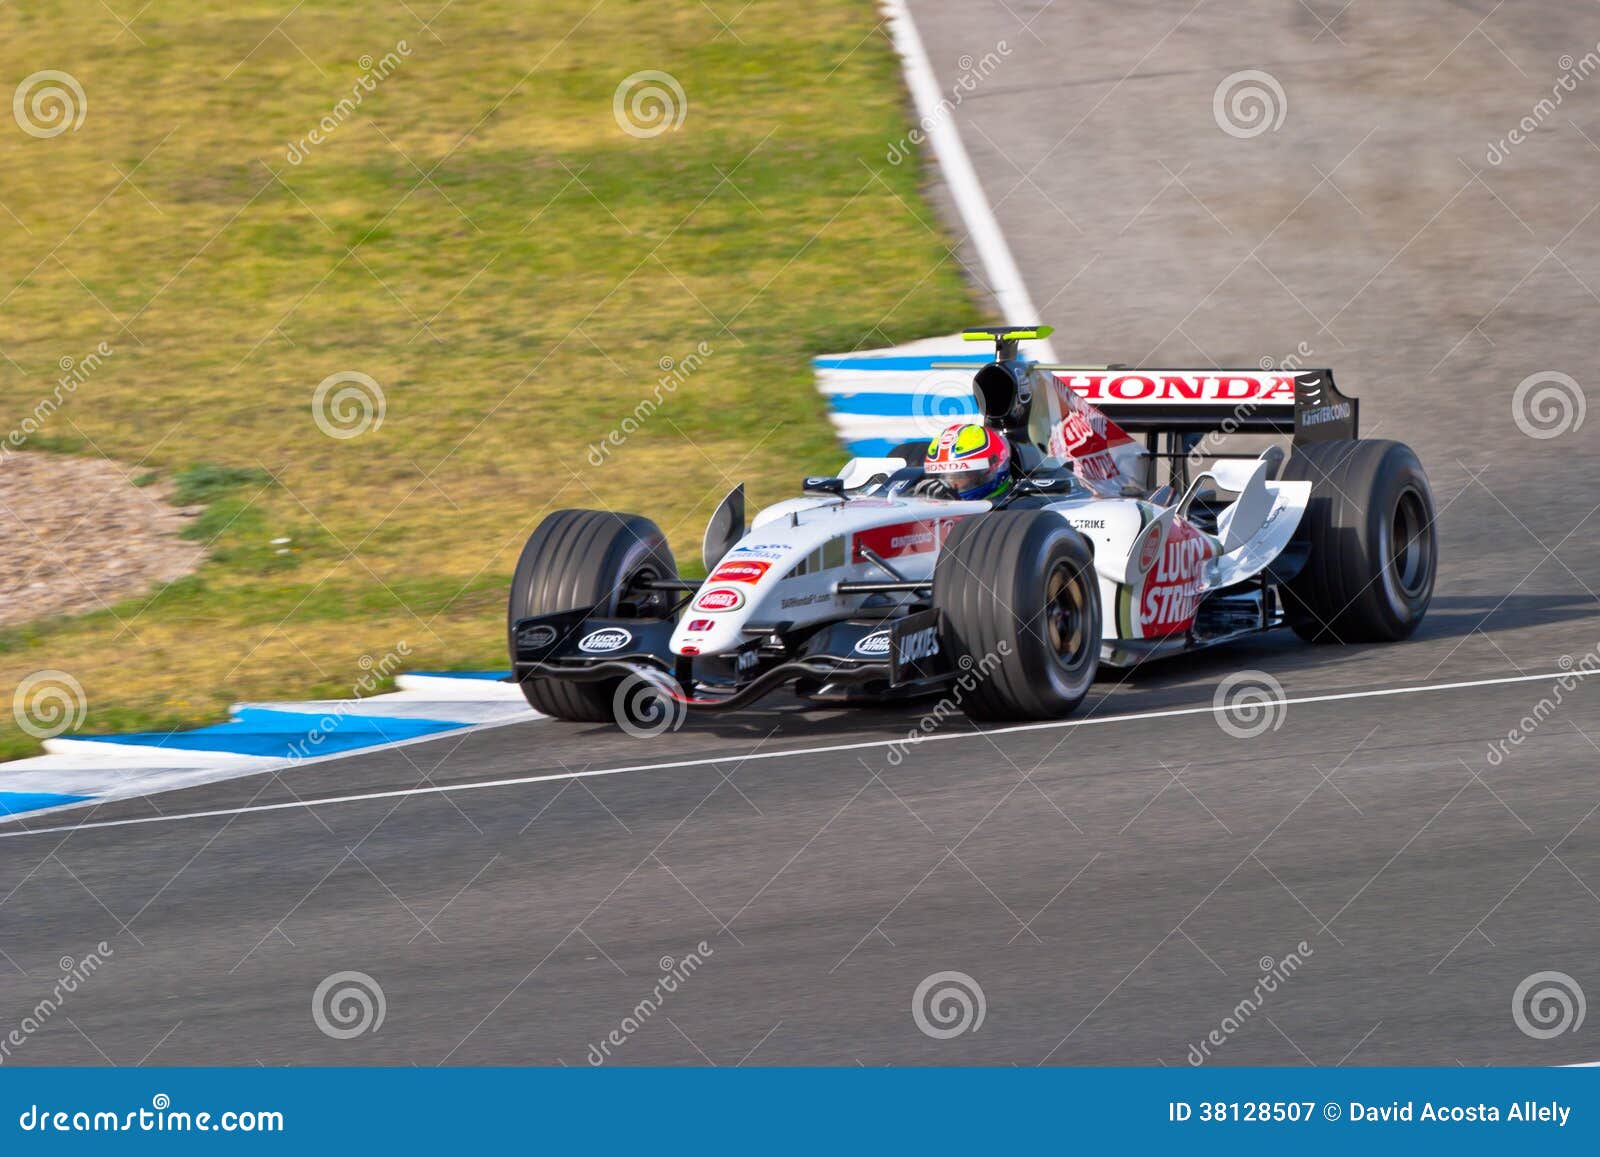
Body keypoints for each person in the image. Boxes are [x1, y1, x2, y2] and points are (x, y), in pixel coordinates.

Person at [915, 422, 1013, 500]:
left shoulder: (1016, 510)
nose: (946, 483)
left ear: (989, 471)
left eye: (958, 476)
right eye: (942, 477)